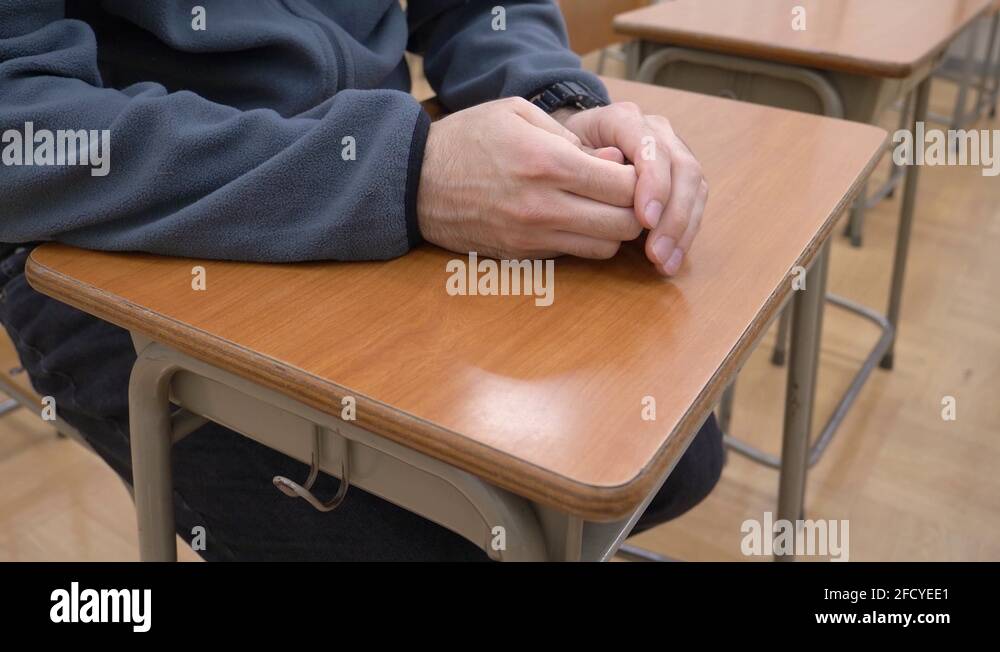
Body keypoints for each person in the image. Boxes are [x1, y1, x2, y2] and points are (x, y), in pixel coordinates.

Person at [0, 0, 721, 560]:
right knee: (423, 544)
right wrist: (404, 176)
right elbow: (18, 128)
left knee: (665, 459)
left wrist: (554, 105)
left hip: (396, 200)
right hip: (124, 248)